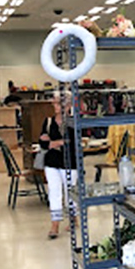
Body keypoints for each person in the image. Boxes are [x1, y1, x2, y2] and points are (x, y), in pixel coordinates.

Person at [39, 92, 77, 239]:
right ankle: (55, 225)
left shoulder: (74, 122)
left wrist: (53, 142)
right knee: (54, 192)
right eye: (54, 103)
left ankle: (74, 218)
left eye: (57, 103)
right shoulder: (48, 122)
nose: (54, 106)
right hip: (51, 162)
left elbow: (74, 143)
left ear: (67, 106)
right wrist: (58, 142)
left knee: (71, 192)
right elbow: (42, 142)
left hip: (70, 163)